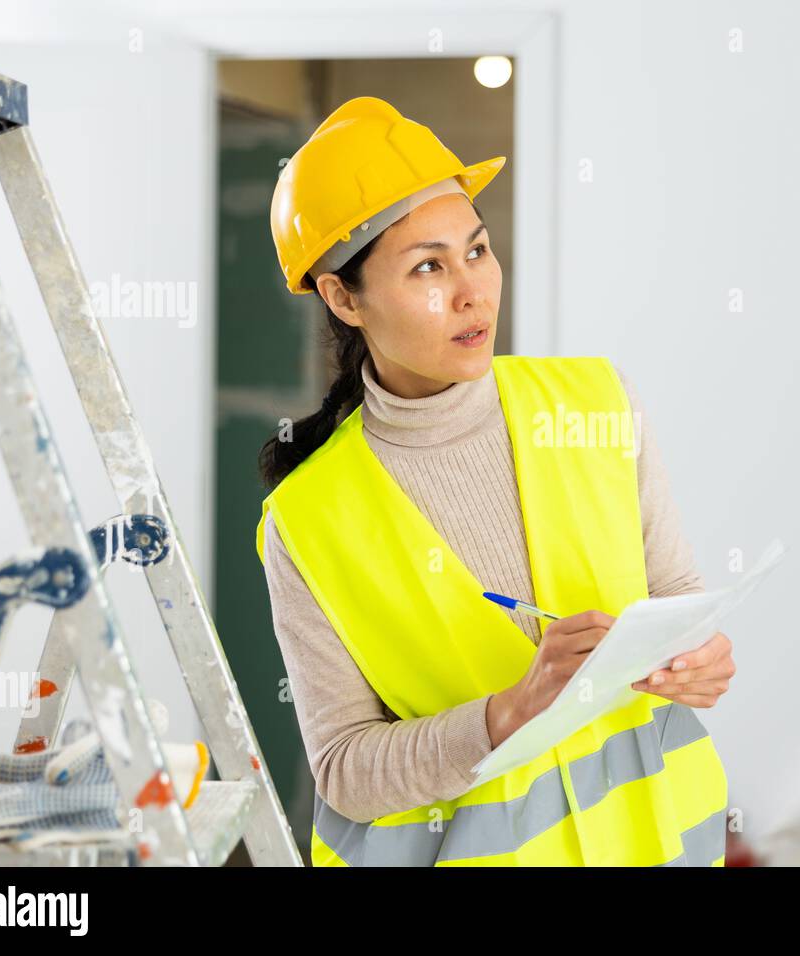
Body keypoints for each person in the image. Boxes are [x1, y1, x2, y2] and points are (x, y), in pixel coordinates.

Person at [255, 97, 735, 866]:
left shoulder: (597, 402)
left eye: (477, 251)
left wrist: (701, 658)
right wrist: (507, 712)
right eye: (427, 268)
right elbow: (344, 769)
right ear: (345, 299)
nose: (472, 291)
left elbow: (678, 600)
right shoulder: (308, 520)